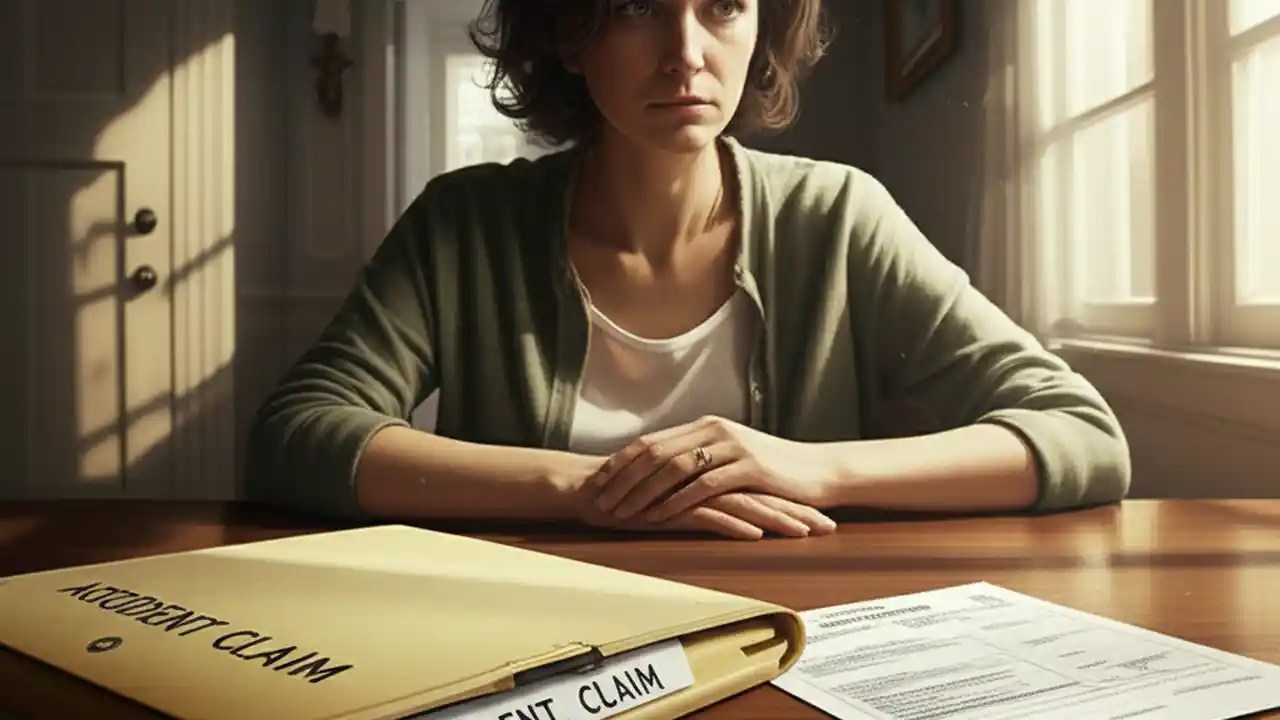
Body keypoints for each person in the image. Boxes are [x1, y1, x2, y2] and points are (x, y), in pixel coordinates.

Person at [245, 0, 1131, 541]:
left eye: (722, 5)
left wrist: (809, 468)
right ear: (571, 34)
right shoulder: (463, 222)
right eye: (636, 5)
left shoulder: (837, 214)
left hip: (789, 635)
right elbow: (294, 439)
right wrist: (587, 491)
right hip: (533, 643)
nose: (687, 53)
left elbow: (1082, 436)